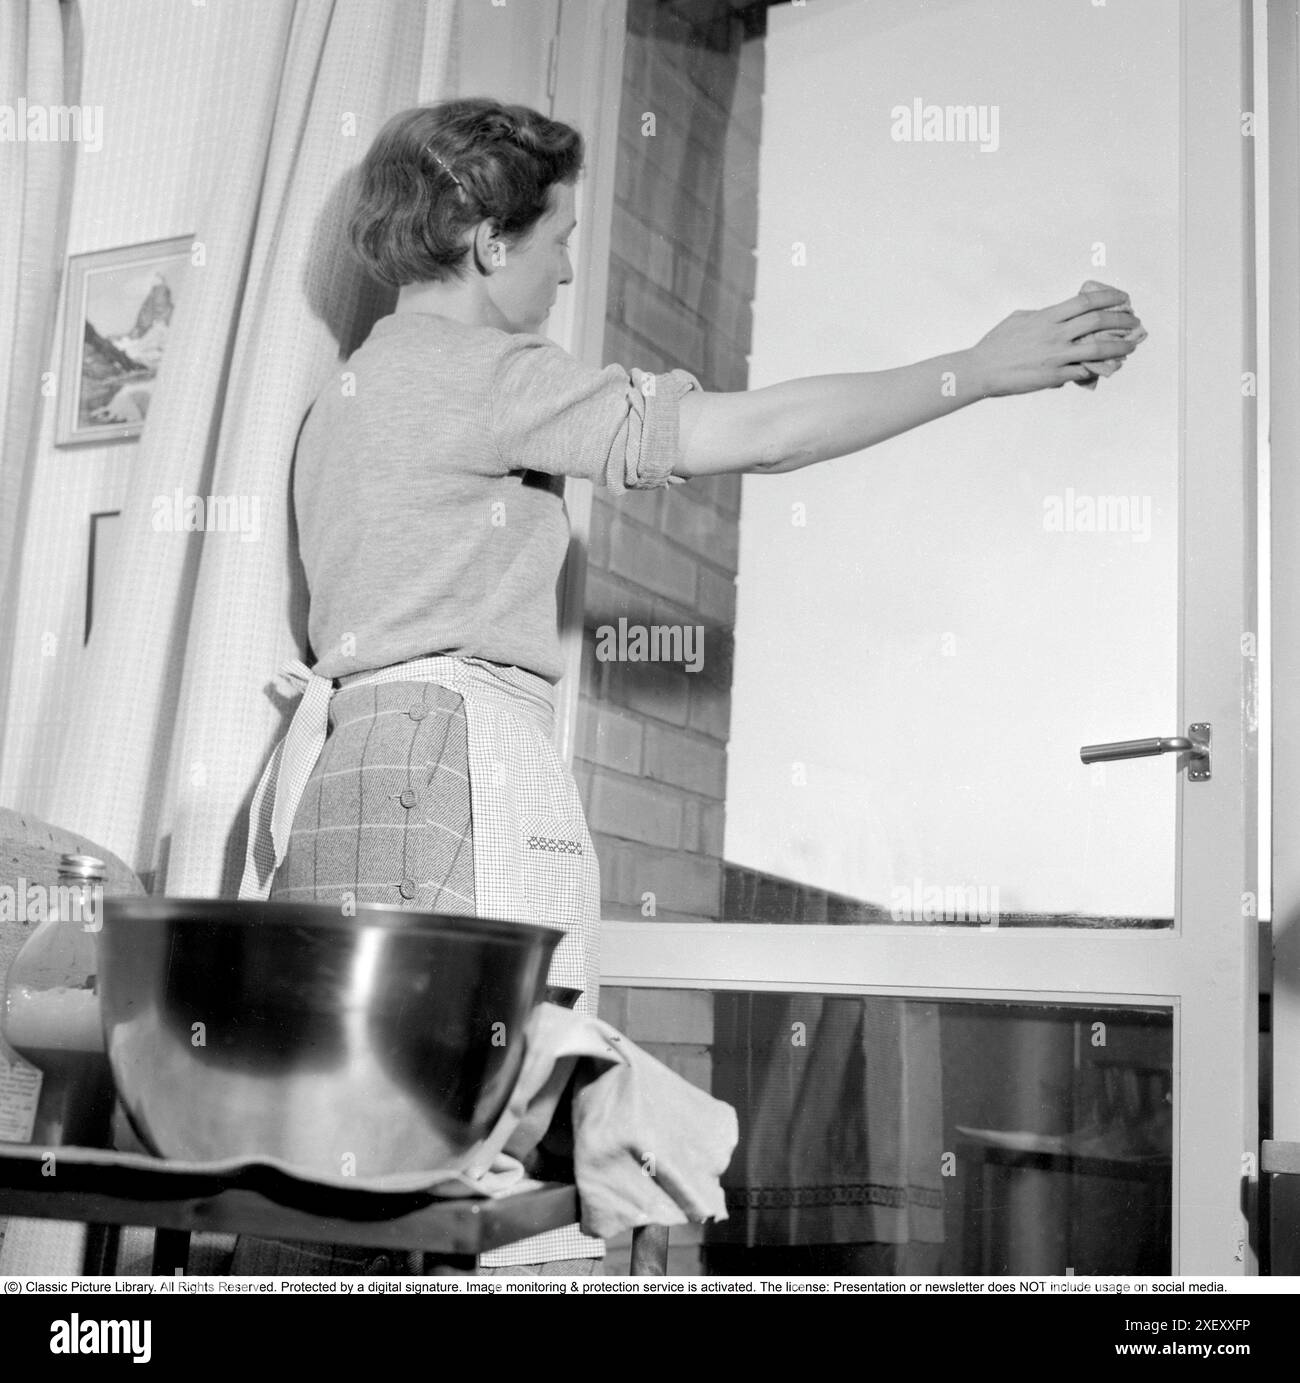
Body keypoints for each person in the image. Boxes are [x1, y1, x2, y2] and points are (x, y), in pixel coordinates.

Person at [234, 96, 1146, 1276]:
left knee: (371, 1159)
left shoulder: (343, 398)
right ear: (486, 241)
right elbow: (757, 433)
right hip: (455, 769)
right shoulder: (483, 371)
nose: (566, 268)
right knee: (498, 1167)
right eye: (557, 237)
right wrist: (977, 367)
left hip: (346, 776)